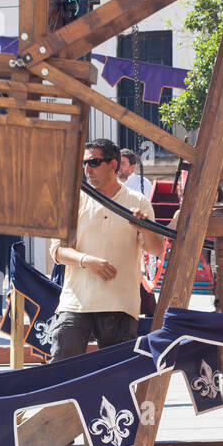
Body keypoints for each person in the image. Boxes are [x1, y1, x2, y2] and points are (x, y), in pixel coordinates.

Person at [48, 138, 162, 358]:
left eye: (94, 162)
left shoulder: (137, 201)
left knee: (117, 377)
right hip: (76, 302)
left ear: (113, 164)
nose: (87, 169)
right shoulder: (73, 201)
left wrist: (144, 227)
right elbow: (57, 251)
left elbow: (157, 249)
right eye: (85, 163)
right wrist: (88, 260)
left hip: (120, 302)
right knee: (61, 370)